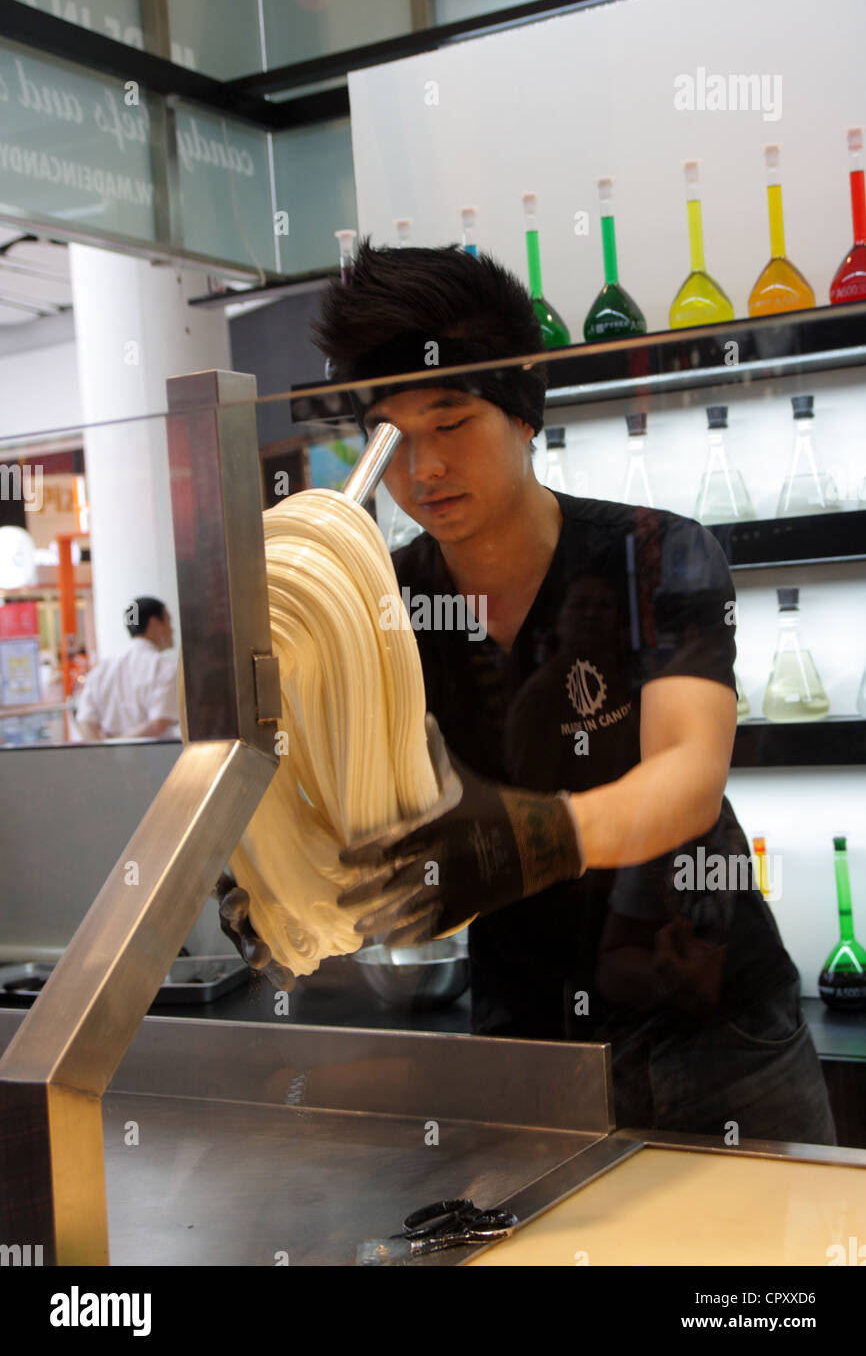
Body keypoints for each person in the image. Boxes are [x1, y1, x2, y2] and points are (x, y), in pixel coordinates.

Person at [220, 240, 836, 1146]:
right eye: (392, 438)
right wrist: (268, 869)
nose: (422, 470)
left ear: (523, 414)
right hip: (527, 1043)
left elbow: (689, 775)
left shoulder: (658, 555)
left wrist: (531, 841)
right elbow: (328, 787)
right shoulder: (370, 609)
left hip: (721, 1030)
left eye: (451, 421)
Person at [75, 596, 180, 741]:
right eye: (169, 623)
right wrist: (117, 747)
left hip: (108, 762)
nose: (172, 630)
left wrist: (106, 750)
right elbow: (159, 723)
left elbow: (85, 721)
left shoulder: (102, 669)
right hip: (157, 759)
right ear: (154, 623)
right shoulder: (165, 667)